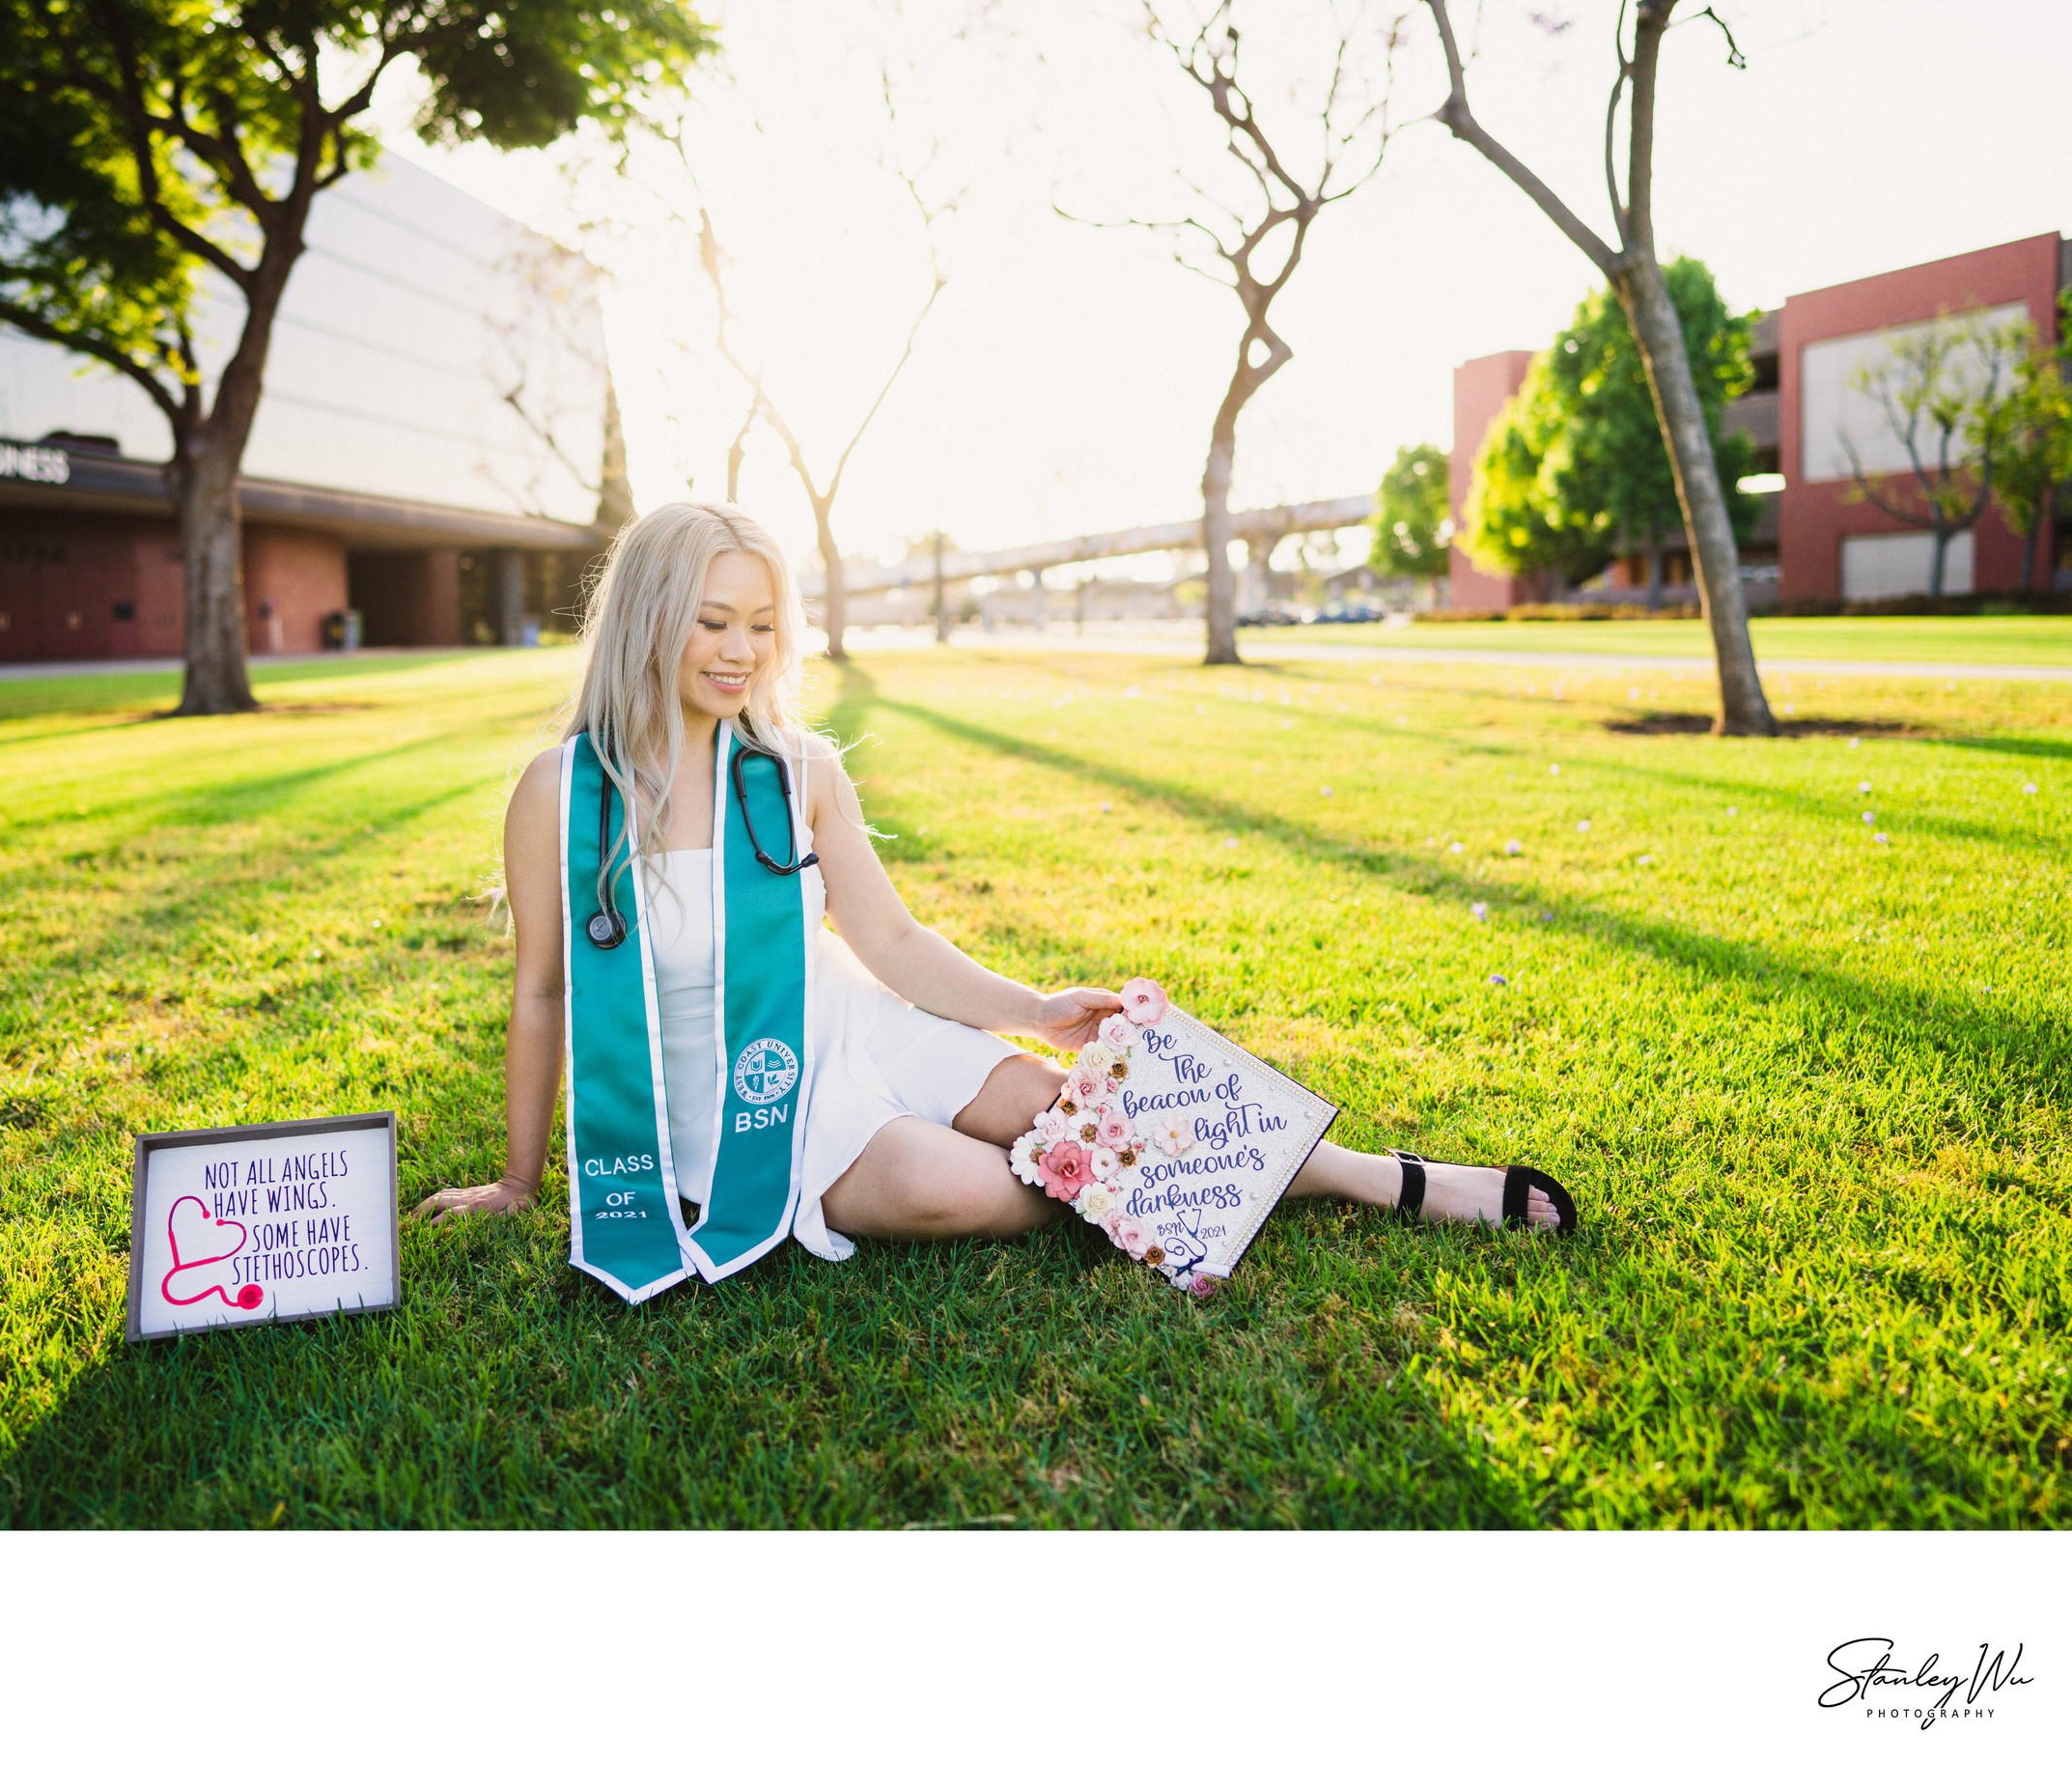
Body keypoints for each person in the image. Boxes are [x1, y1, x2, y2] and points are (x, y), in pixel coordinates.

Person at [415, 503, 1574, 1297]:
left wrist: (1032, 1004)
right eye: (712, 621)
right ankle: (1193, 1187)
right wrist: (522, 1181)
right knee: (946, 1185)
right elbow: (541, 993)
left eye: (762, 626)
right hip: (727, 1105)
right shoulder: (564, 795)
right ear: (646, 619)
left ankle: (1373, 1177)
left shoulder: (798, 770)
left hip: (854, 1022)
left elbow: (890, 939)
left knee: (1078, 1111)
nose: (740, 651)